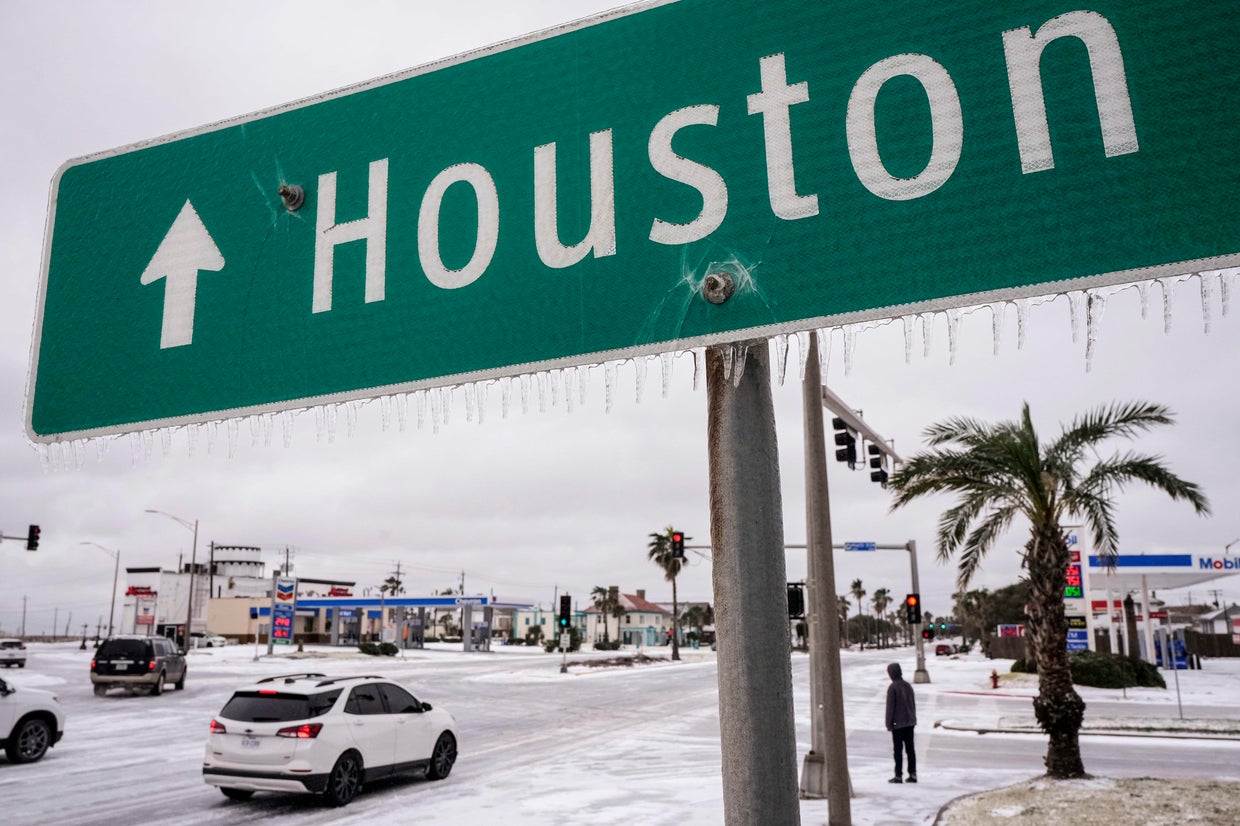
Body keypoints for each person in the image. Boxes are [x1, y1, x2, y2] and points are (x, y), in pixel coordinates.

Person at [885, 662, 917, 783]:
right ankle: (913, 774)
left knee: (898, 750)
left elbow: (890, 708)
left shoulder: (893, 687)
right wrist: (913, 718)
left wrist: (889, 724)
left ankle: (898, 775)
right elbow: (912, 704)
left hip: (898, 724)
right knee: (910, 749)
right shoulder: (908, 686)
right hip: (910, 722)